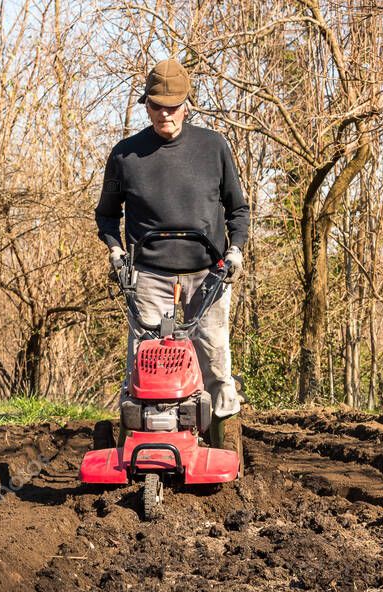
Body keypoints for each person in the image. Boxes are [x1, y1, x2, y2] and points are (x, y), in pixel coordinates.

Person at [95, 58, 249, 449]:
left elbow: (238, 209)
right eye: (158, 105)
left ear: (187, 104)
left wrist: (235, 251)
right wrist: (115, 252)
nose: (166, 114)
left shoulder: (213, 147)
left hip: (207, 273)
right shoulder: (125, 155)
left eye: (174, 105)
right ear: (146, 105)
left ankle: (224, 439)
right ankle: (139, 441)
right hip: (148, 274)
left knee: (214, 359)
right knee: (145, 363)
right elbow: (107, 216)